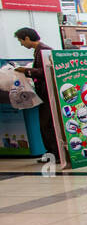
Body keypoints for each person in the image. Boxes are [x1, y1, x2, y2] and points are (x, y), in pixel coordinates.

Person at [12, 27, 58, 162]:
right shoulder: (40, 50)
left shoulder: (43, 50)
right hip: (44, 92)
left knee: (47, 124)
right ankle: (52, 152)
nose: (21, 44)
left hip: (47, 92)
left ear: (27, 38)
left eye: (21, 41)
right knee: (46, 124)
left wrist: (26, 71)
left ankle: (54, 153)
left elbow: (45, 71)